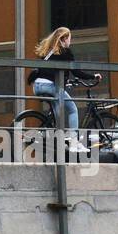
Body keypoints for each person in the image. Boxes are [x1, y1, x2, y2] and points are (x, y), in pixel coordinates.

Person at [28, 26, 88, 154]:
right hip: (50, 86)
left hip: (37, 86)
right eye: (69, 38)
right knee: (72, 109)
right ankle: (73, 142)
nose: (70, 42)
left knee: (58, 115)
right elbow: (76, 72)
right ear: (64, 39)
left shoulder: (49, 51)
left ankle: (54, 138)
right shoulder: (65, 51)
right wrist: (93, 76)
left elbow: (46, 70)